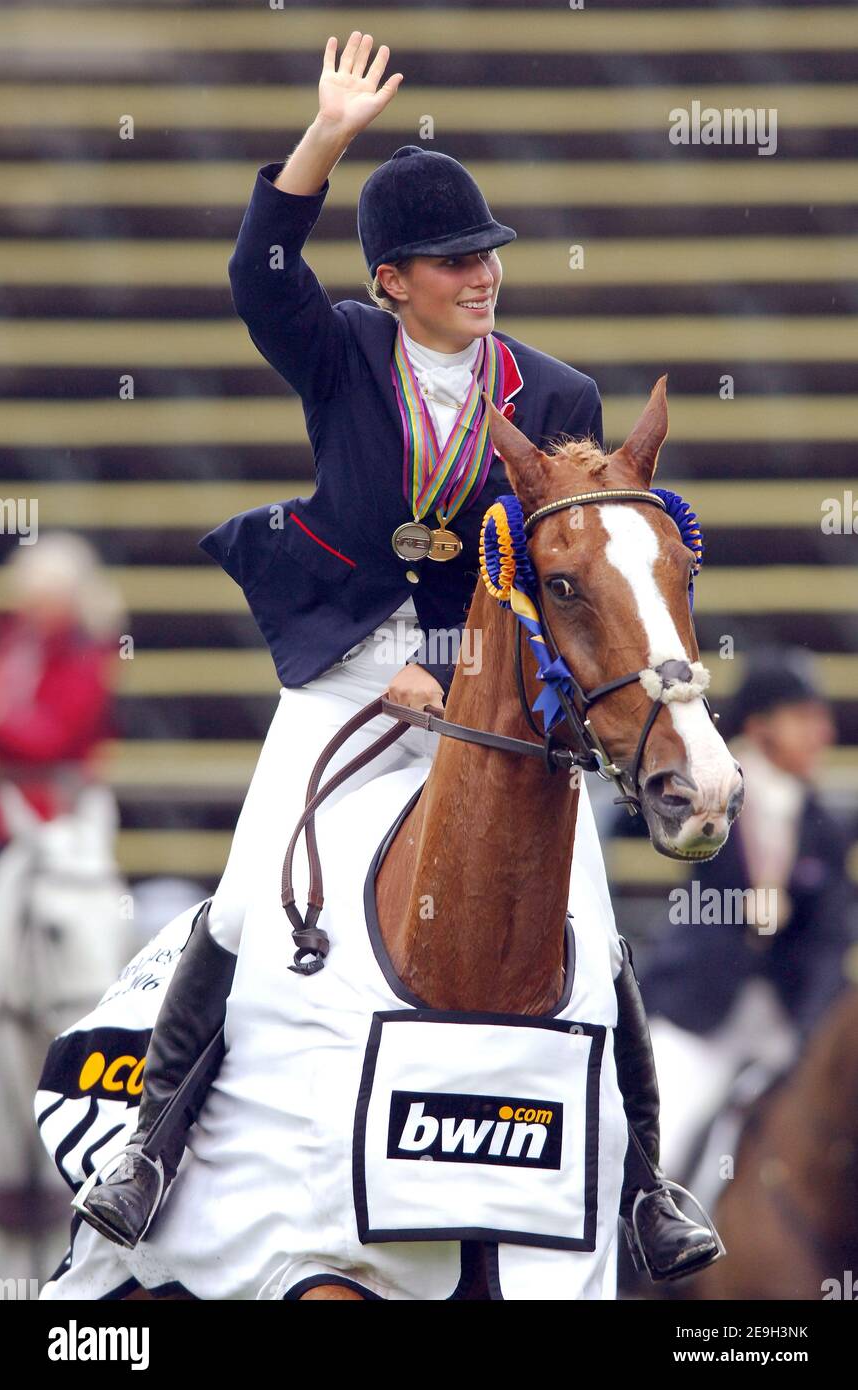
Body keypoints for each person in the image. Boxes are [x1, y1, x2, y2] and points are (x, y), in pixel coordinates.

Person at [78, 30, 718, 1280]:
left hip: (496, 673)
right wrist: (323, 136)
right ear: (390, 279)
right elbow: (261, 272)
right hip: (351, 660)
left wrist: (492, 666)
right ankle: (153, 1144)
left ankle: (643, 1181)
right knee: (255, 885)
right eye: (454, 261)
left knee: (586, 913)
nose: (482, 276)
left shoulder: (559, 394)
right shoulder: (342, 357)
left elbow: (566, 556)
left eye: (488, 257)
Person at [641, 651, 855, 1173]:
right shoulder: (710, 795)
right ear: (760, 727)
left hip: (783, 1024)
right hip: (701, 1014)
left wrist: (810, 1032)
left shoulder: (822, 824)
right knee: (660, 1144)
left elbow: (830, 938)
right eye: (803, 718)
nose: (821, 734)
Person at [0, 533, 121, 846]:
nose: (33, 609)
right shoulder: (13, 639)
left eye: (45, 599)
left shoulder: (87, 658)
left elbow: (50, 742)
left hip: (54, 816)